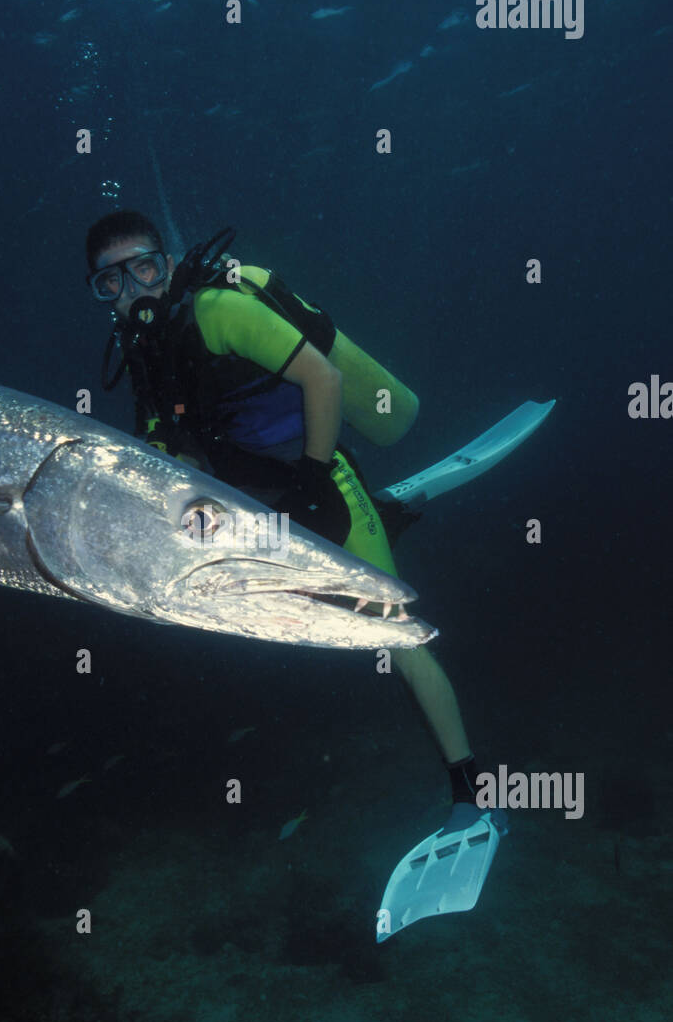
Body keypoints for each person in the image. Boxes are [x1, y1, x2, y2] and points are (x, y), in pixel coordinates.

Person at [84, 210, 482, 811]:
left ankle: (471, 790)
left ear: (166, 263)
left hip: (319, 480)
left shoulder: (219, 311)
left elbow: (323, 379)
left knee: (393, 633)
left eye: (144, 267)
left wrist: (315, 481)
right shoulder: (141, 348)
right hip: (254, 504)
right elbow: (170, 440)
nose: (134, 290)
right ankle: (383, 516)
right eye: (111, 281)